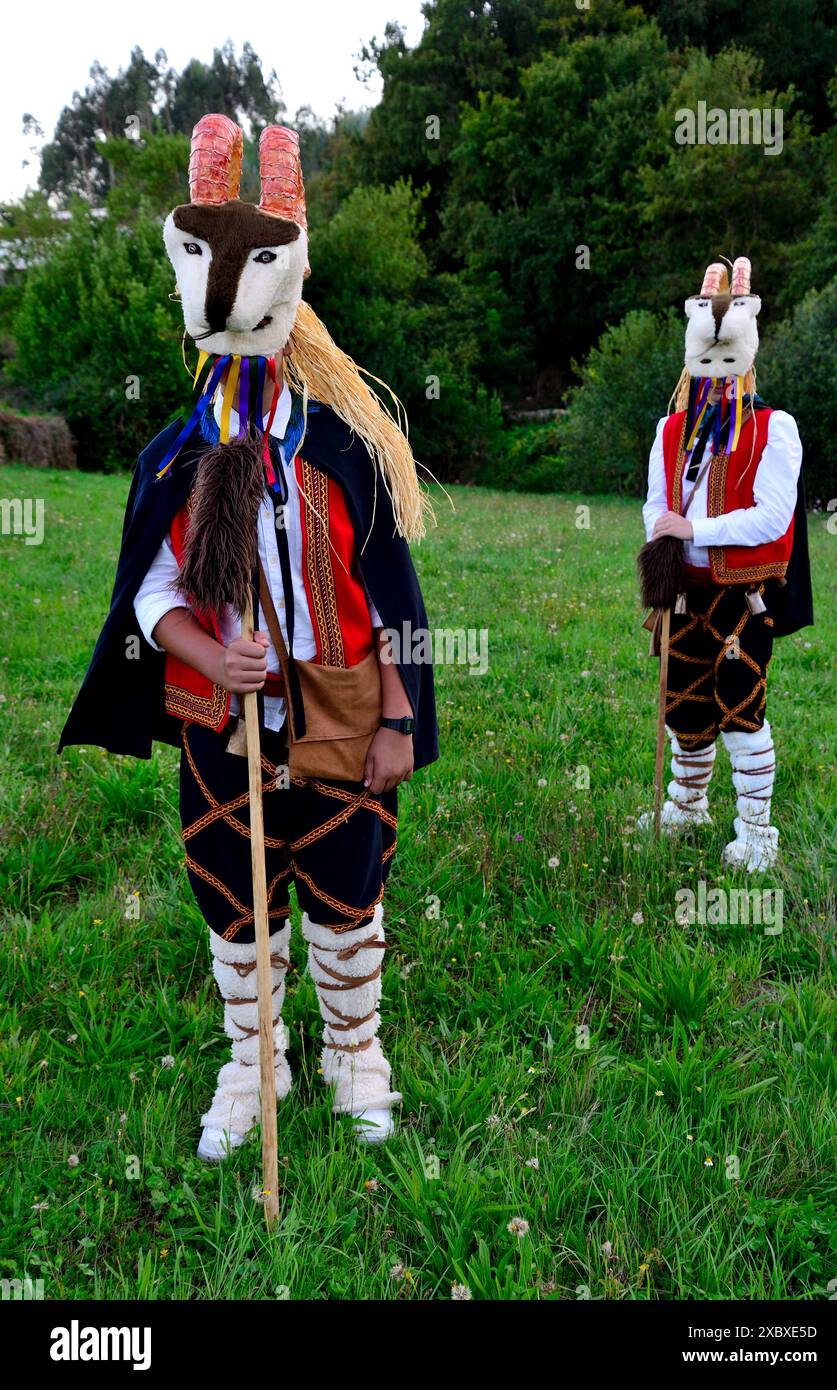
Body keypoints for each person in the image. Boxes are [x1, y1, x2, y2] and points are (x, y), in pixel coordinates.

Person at [60, 115, 437, 1157]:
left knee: (347, 892)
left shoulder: (343, 449)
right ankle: (252, 1061)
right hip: (219, 721)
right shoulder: (175, 457)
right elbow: (152, 589)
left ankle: (355, 1051)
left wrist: (400, 717)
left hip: (345, 710)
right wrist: (201, 648)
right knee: (237, 905)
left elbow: (393, 596)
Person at [640, 258, 812, 872]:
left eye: (725, 360)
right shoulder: (669, 430)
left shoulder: (775, 428)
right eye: (704, 362)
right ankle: (686, 808)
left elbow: (772, 517)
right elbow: (655, 507)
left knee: (740, 708)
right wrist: (663, 536)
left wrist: (696, 529)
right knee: (684, 706)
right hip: (683, 593)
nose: (715, 372)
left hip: (745, 598)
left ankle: (757, 833)